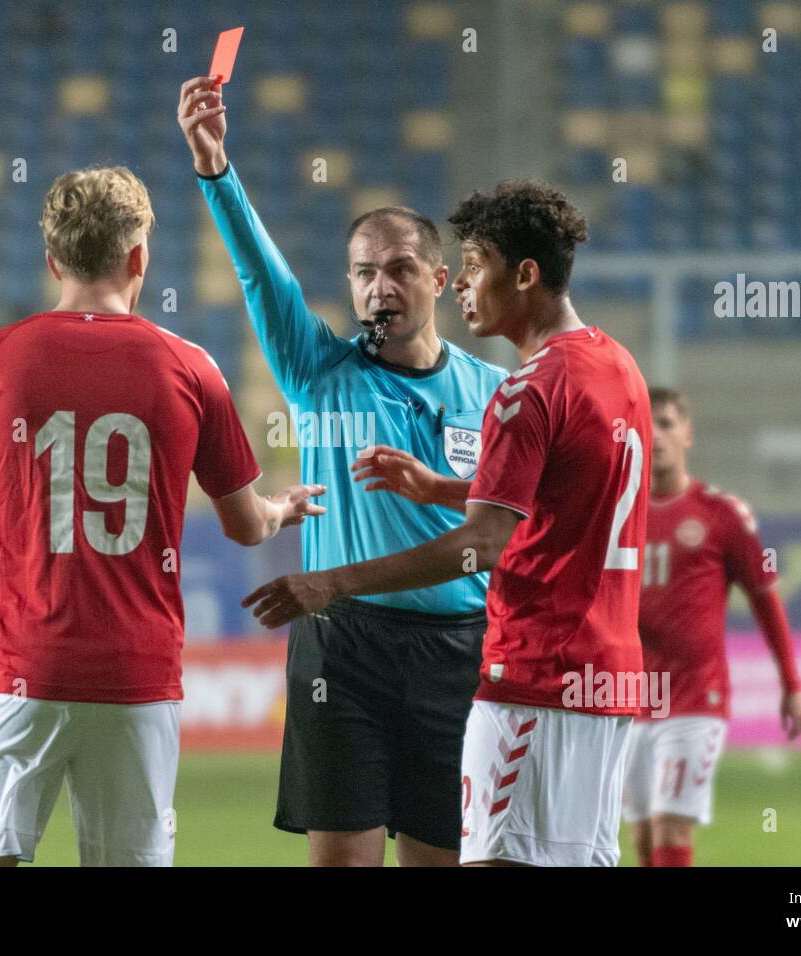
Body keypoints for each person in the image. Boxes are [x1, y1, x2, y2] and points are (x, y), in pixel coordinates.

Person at [245, 180, 653, 867]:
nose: (466, 284)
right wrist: (448, 489)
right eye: (365, 273)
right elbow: (559, 502)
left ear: (521, 274)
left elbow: (482, 543)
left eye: (475, 266)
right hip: (604, 678)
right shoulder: (619, 365)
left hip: (529, 672)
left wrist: (333, 581)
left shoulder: (518, 389)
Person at [0, 164, 324, 867]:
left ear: (51, 259)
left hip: (24, 671)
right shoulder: (191, 366)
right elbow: (244, 524)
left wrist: (0, 530)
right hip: (136, 678)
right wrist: (282, 509)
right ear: (139, 257)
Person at [180, 75, 508, 866]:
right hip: (342, 652)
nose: (378, 286)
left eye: (398, 269)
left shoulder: (494, 393)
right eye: (363, 272)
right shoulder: (319, 372)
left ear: (438, 280)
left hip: (456, 651)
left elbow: (501, 536)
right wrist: (216, 171)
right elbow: (264, 276)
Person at [623, 386, 801, 867]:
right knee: (643, 837)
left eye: (667, 423)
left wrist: (792, 684)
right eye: (648, 424)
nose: (657, 434)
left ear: (688, 434)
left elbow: (766, 600)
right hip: (627, 697)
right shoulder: (617, 512)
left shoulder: (722, 513)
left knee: (670, 826)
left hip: (695, 697)